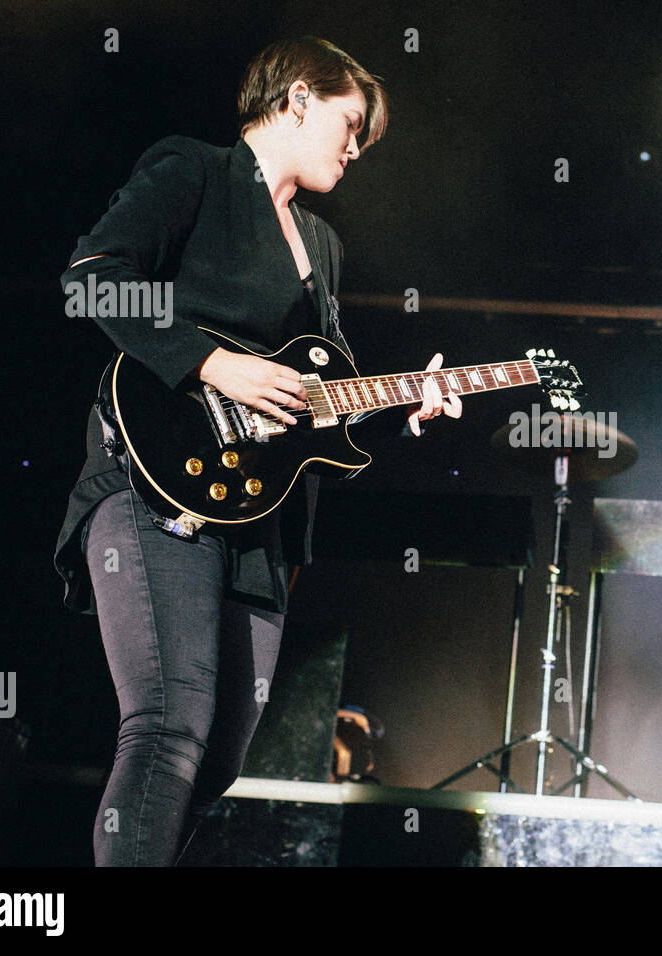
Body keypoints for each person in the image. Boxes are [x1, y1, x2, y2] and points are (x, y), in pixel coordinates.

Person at [53, 36, 461, 866]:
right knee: (169, 726)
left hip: (259, 515)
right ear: (299, 98)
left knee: (219, 757)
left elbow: (320, 403)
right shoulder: (194, 172)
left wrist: (406, 402)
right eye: (350, 125)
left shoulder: (322, 245)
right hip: (155, 481)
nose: (356, 149)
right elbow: (93, 274)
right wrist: (214, 363)